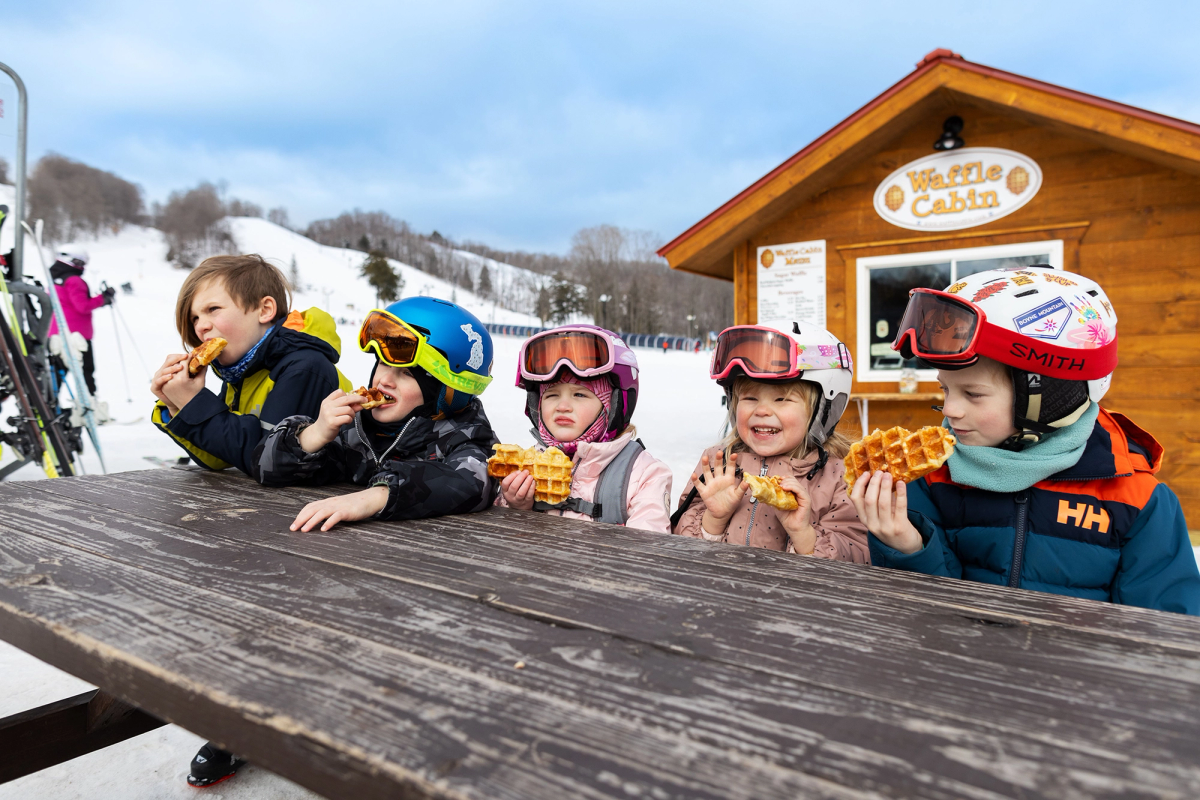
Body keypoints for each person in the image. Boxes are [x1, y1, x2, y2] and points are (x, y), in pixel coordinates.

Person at [852, 265, 1200, 615]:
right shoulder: (933, 480)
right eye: (945, 389)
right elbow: (927, 615)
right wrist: (907, 547)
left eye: (973, 394)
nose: (950, 410)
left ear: (1049, 397)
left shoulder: (1135, 499)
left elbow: (1166, 629)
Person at [255, 296, 498, 532]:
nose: (385, 380)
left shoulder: (468, 438)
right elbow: (267, 467)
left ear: (447, 394)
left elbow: (472, 482)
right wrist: (314, 434)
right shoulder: (355, 430)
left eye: (407, 374)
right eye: (382, 363)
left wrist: (373, 498)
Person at [672, 322, 868, 561]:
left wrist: (802, 533)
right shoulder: (720, 463)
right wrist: (714, 519)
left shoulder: (841, 476)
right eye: (750, 398)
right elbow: (681, 548)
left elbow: (860, 557)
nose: (762, 410)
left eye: (781, 399)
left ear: (822, 409)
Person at [150, 254, 351, 475]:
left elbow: (269, 460)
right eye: (194, 318)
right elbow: (222, 456)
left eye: (213, 309)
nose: (200, 327)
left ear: (264, 310)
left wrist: (193, 404)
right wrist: (177, 407)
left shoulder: (304, 366)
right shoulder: (242, 373)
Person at [496, 325, 673, 532]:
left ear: (613, 405)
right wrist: (517, 508)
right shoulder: (527, 465)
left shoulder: (645, 475)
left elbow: (647, 552)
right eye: (552, 395)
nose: (562, 406)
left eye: (579, 395)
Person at [47, 251, 115, 399]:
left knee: (58, 372)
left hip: (56, 332)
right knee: (85, 371)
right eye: (82, 263)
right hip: (77, 335)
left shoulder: (55, 279)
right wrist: (103, 299)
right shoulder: (74, 280)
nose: (83, 267)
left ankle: (48, 405)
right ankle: (90, 405)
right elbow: (82, 306)